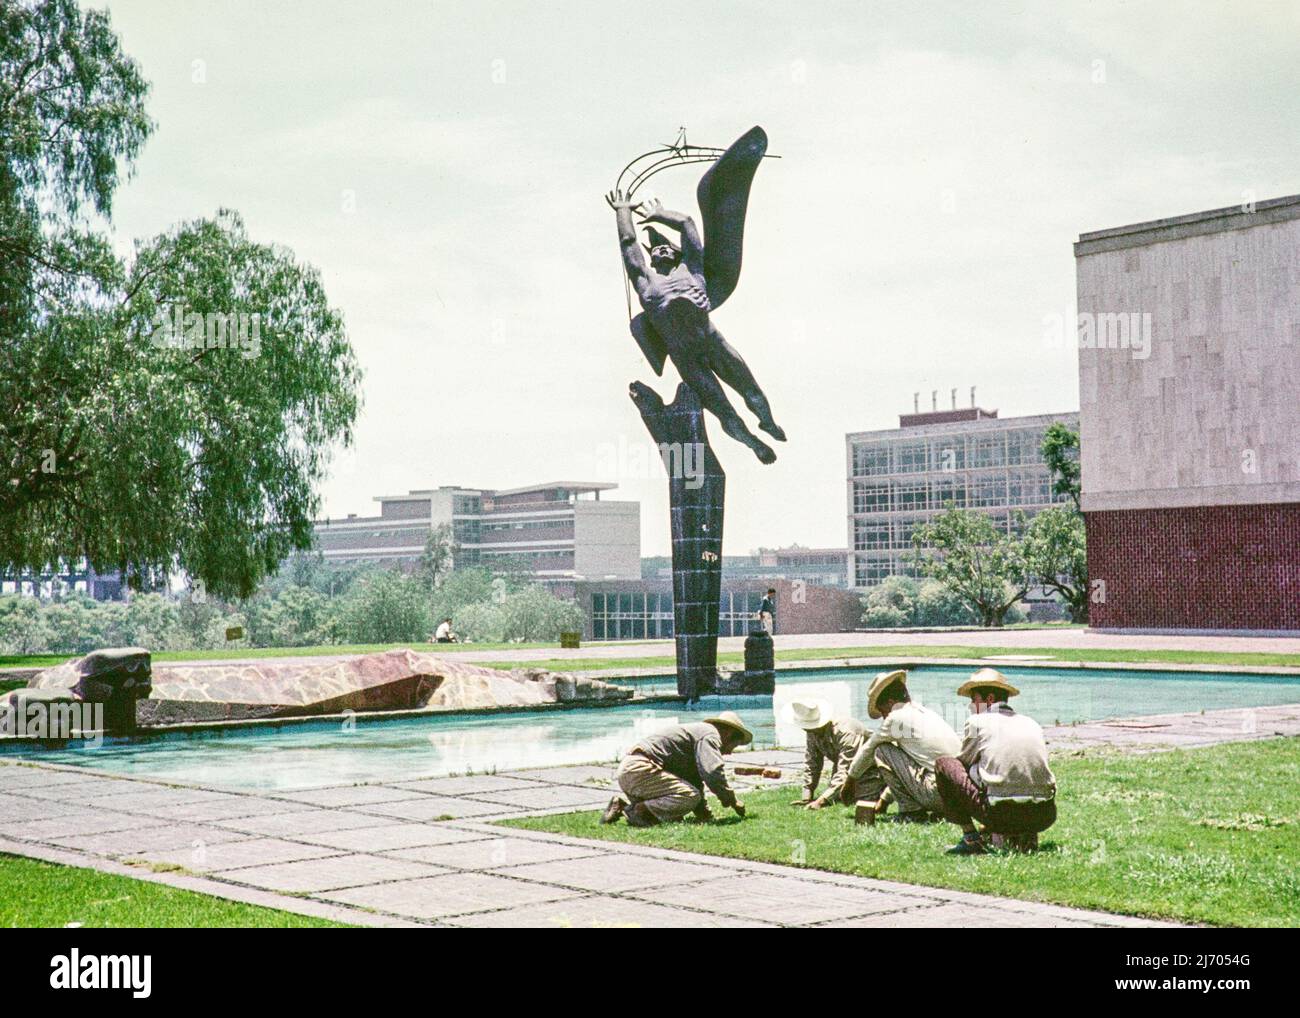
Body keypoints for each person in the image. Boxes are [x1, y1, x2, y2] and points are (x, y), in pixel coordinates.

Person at [606, 189, 785, 463]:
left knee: (753, 393)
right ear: (651, 259)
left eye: (666, 246)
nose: (660, 248)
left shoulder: (693, 270)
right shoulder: (646, 283)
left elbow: (687, 223)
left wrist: (659, 215)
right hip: (686, 359)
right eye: (655, 249)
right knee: (725, 412)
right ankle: (753, 443)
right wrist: (623, 211)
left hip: (714, 344)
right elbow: (629, 243)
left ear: (677, 253)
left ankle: (767, 422)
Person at [935, 668, 1057, 855]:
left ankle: (970, 838)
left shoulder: (977, 721)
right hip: (1044, 814)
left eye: (973, 700)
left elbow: (963, 764)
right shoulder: (1030, 722)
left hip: (1000, 815)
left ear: (989, 699)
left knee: (945, 765)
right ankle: (1022, 835)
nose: (970, 706)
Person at [847, 669, 961, 825]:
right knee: (892, 753)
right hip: (958, 796)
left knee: (882, 750)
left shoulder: (896, 718)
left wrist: (850, 780)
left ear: (889, 703)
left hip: (937, 794)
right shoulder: (925, 712)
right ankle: (920, 808)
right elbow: (908, 769)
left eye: (882, 712)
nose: (884, 717)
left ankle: (911, 811)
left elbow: (869, 748)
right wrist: (884, 800)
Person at [602, 712, 751, 827]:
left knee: (676, 813)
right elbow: (712, 773)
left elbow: (695, 780)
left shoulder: (698, 733)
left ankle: (621, 806)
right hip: (641, 770)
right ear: (729, 734)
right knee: (689, 796)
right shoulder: (710, 735)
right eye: (734, 745)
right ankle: (636, 811)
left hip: (630, 769)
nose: (730, 752)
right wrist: (731, 799)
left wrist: (704, 815)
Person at [784, 699, 867, 809]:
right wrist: (807, 796)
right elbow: (812, 763)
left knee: (860, 797)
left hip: (872, 768)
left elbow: (846, 770)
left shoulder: (846, 731)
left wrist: (820, 802)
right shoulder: (812, 731)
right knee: (838, 795)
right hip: (851, 768)